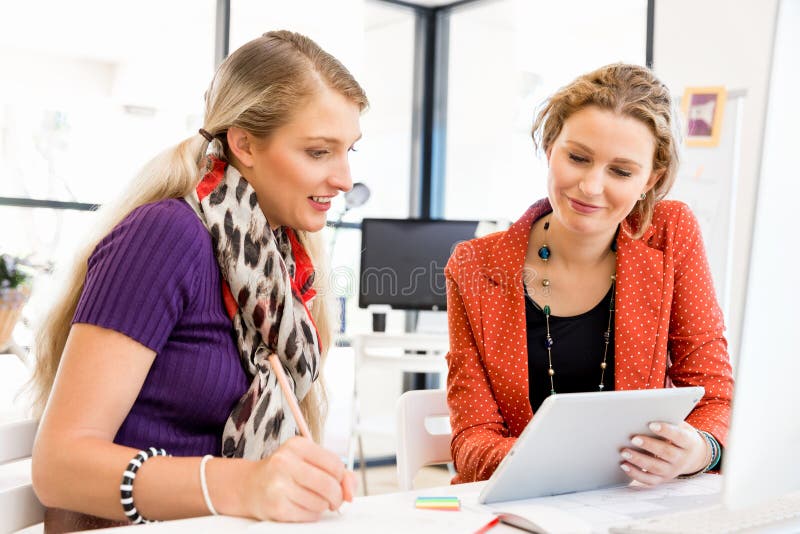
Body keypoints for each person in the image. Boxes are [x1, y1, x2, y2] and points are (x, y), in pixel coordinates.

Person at [30, 30, 366, 530]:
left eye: (349, 151)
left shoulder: (283, 258)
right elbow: (58, 469)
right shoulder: (165, 237)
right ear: (245, 143)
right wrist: (244, 485)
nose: (343, 178)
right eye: (319, 152)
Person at [445, 63, 733, 485]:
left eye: (621, 171)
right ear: (550, 148)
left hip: (628, 507)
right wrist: (574, 462)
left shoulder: (671, 233)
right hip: (518, 503)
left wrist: (699, 449)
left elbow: (715, 395)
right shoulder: (475, 266)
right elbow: (471, 440)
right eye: (577, 158)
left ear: (649, 180)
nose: (591, 186)